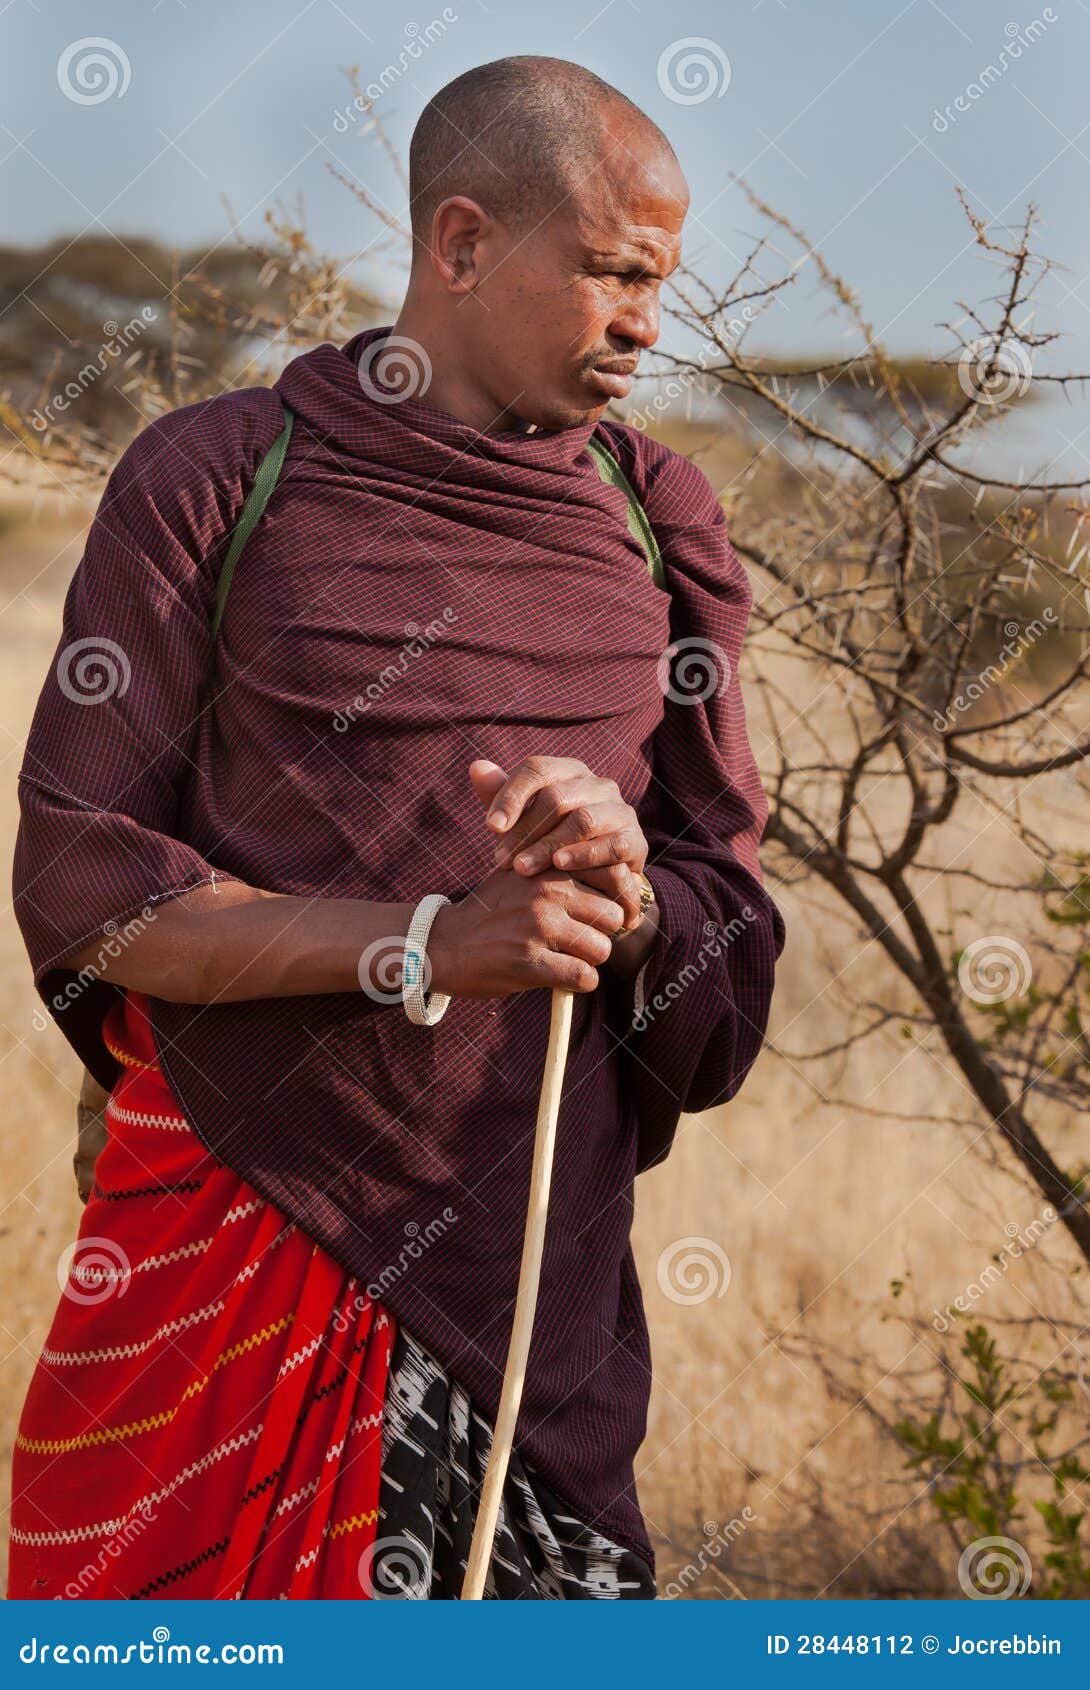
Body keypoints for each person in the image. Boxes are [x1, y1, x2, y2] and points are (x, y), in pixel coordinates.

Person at [8, 54, 784, 1600]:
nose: (646, 322)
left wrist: (622, 897)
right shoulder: (218, 477)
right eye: (613, 274)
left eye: (661, 284)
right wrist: (429, 944)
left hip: (522, 1284)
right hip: (232, 1241)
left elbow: (727, 916)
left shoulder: (660, 522)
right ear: (461, 240)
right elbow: (89, 881)